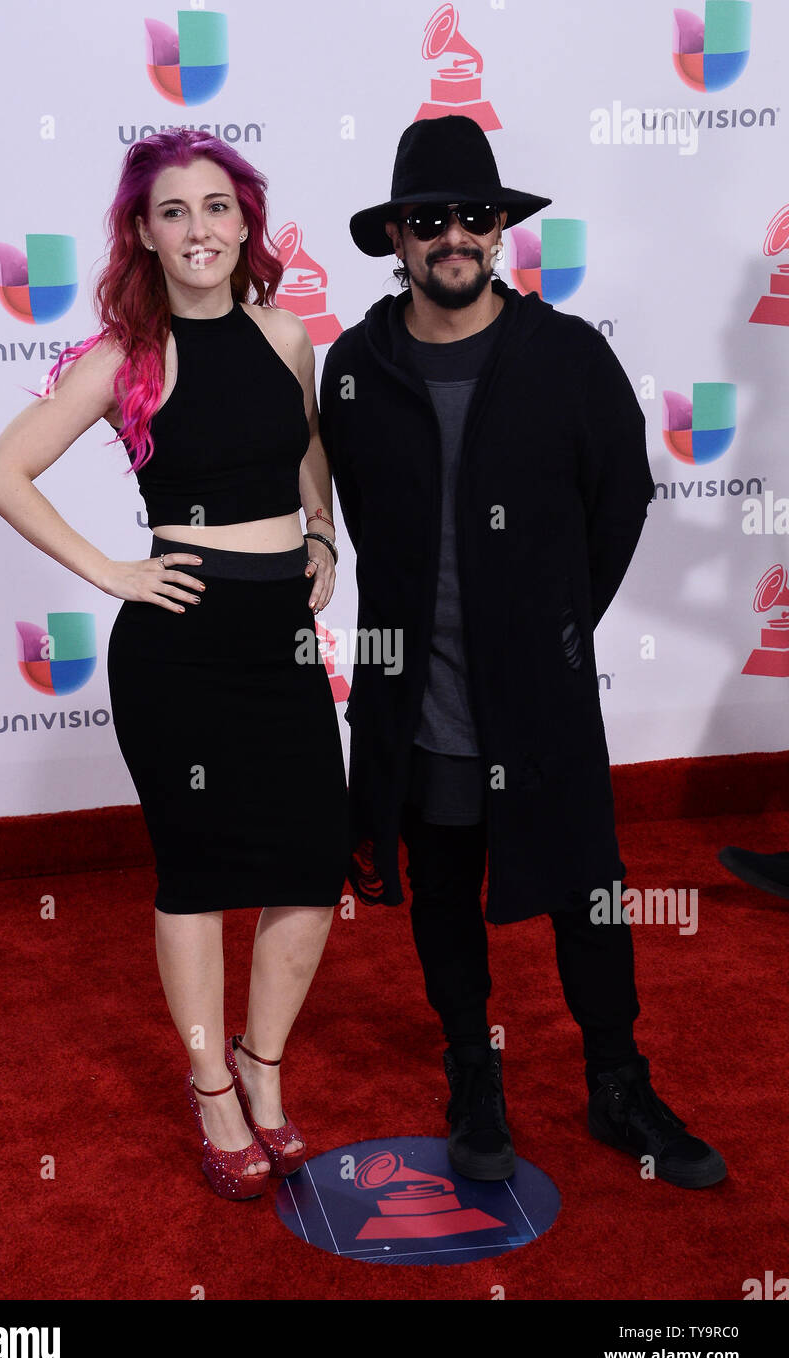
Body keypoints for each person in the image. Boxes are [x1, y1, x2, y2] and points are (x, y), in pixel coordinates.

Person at [319, 115, 727, 1190]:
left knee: (589, 891)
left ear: (498, 231)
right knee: (445, 888)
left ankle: (616, 1085)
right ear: (395, 240)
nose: (452, 235)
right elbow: (360, 516)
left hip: (538, 695)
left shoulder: (568, 357)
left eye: (472, 216)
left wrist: (553, 623)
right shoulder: (355, 368)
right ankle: (472, 1074)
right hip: (418, 698)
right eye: (427, 220)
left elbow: (622, 500)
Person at [0, 128, 349, 1201]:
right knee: (194, 877)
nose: (201, 228)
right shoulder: (125, 358)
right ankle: (211, 1089)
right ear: (143, 230)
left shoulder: (286, 336)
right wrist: (115, 572)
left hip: (278, 636)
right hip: (179, 648)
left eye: (218, 207)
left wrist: (319, 534)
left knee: (312, 865)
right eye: (175, 211)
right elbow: (4, 472)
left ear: (246, 221)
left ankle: (261, 1066)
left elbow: (307, 449)